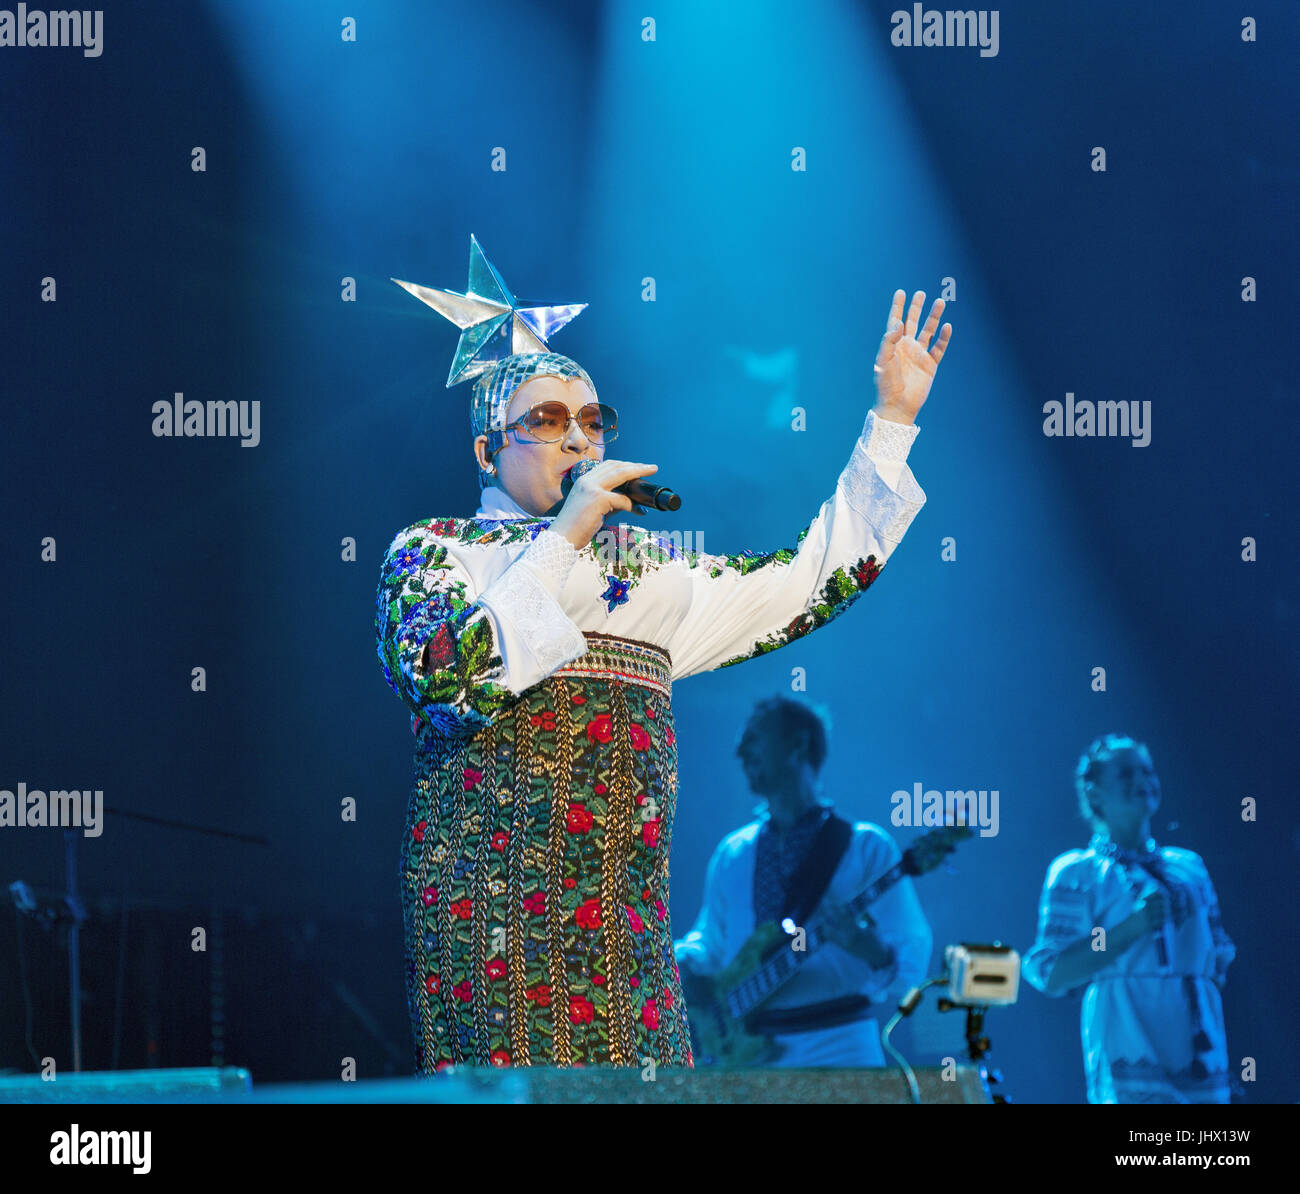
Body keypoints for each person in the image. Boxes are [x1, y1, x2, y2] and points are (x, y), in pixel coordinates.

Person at [375, 234, 950, 1070]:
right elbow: (454, 678)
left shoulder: (653, 577)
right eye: (544, 420)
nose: (577, 439)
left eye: (591, 421)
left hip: (630, 950)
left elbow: (809, 580)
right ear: (485, 450)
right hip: (492, 934)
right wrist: (567, 533)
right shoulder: (438, 552)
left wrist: (892, 423)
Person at [675, 697, 933, 1066]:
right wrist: (682, 965)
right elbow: (712, 946)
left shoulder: (866, 847)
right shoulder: (733, 853)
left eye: (754, 738)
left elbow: (911, 963)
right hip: (747, 1054)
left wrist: (863, 945)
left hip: (841, 1044)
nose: (740, 751)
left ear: (797, 744)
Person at [1022, 733, 1236, 1103]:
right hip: (1129, 1034)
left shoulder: (1189, 867)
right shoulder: (1079, 872)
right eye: (1125, 774)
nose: (1142, 781)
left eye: (1147, 771)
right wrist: (1128, 930)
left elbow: (1218, 955)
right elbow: (1053, 971)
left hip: (1197, 1039)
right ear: (1094, 793)